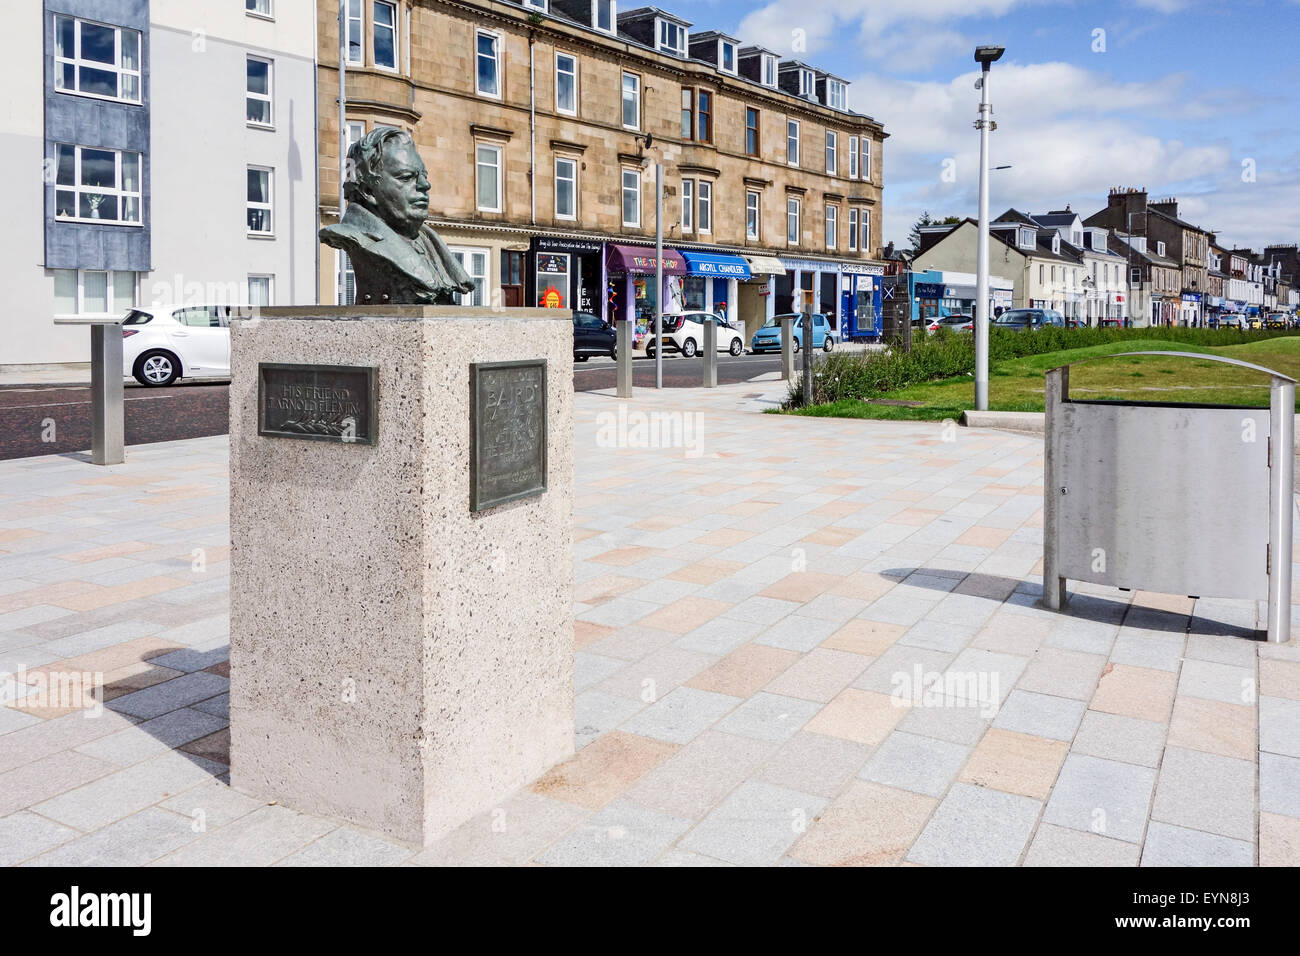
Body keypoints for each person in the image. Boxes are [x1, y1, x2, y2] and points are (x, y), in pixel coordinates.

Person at [320, 127, 474, 305]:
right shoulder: (355, 236)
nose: (425, 185)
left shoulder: (429, 241)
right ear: (368, 190)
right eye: (407, 177)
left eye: (423, 176)